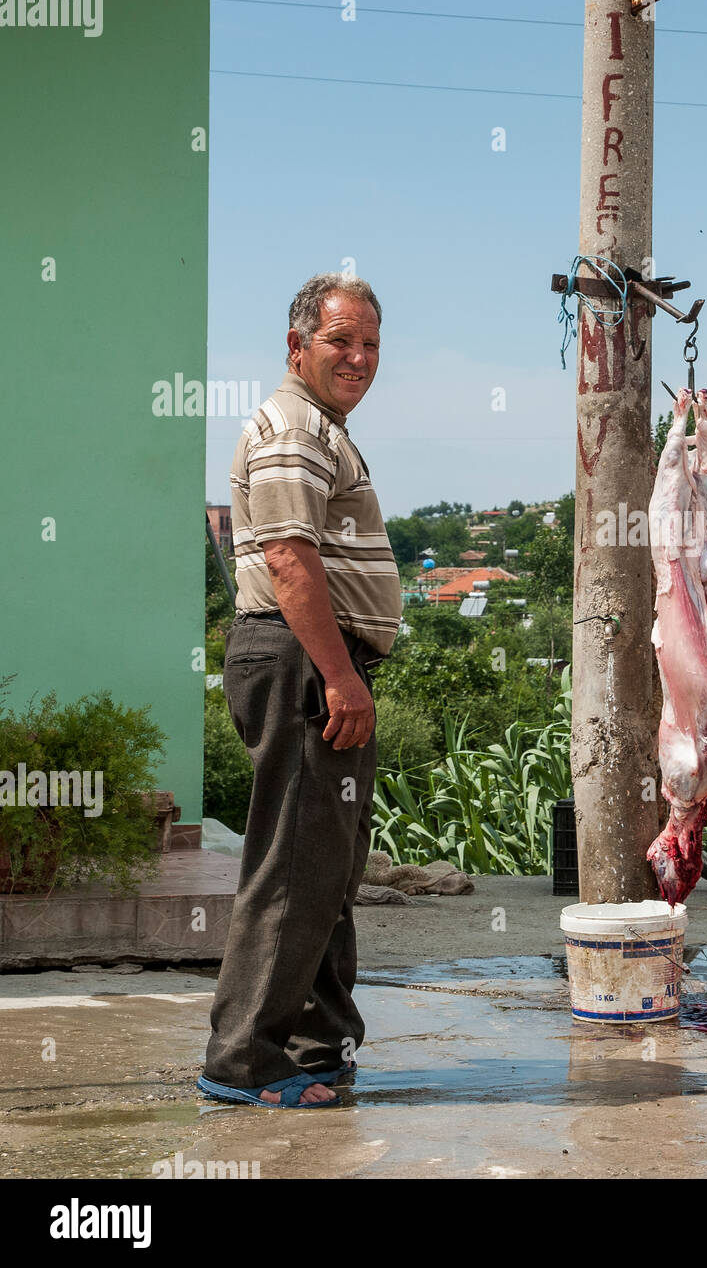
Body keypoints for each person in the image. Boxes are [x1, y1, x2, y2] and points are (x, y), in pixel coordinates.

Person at [198, 273, 401, 1107]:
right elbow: (289, 559)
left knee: (327, 864)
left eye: (370, 345)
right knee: (293, 861)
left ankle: (317, 1043)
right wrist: (340, 673)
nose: (358, 358)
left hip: (312, 658)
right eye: (340, 341)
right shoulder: (290, 426)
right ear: (297, 347)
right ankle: (243, 1062)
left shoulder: (323, 428)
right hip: (301, 660)